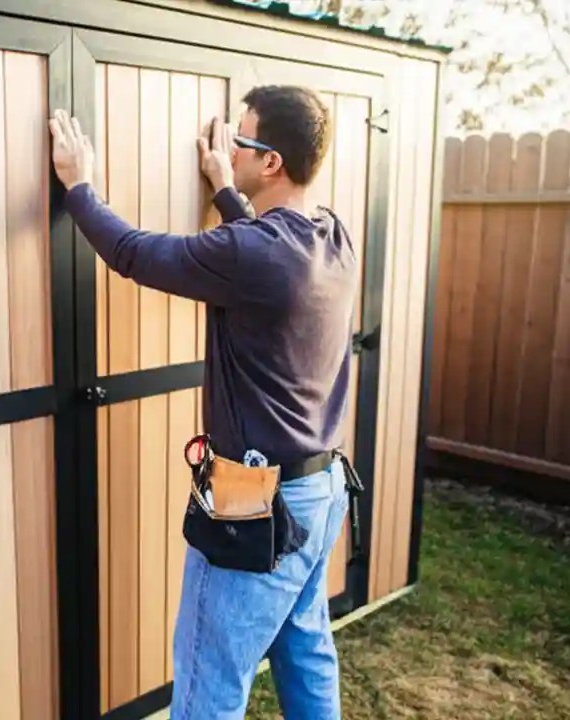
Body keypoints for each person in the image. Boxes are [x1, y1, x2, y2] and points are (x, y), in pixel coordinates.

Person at [49, 85, 358, 719]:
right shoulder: (331, 236)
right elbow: (263, 257)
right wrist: (226, 189)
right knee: (306, 650)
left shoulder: (252, 252)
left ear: (270, 161)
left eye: (240, 139)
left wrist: (79, 188)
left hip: (253, 493)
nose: (228, 145)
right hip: (322, 487)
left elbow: (133, 252)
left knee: (207, 678)